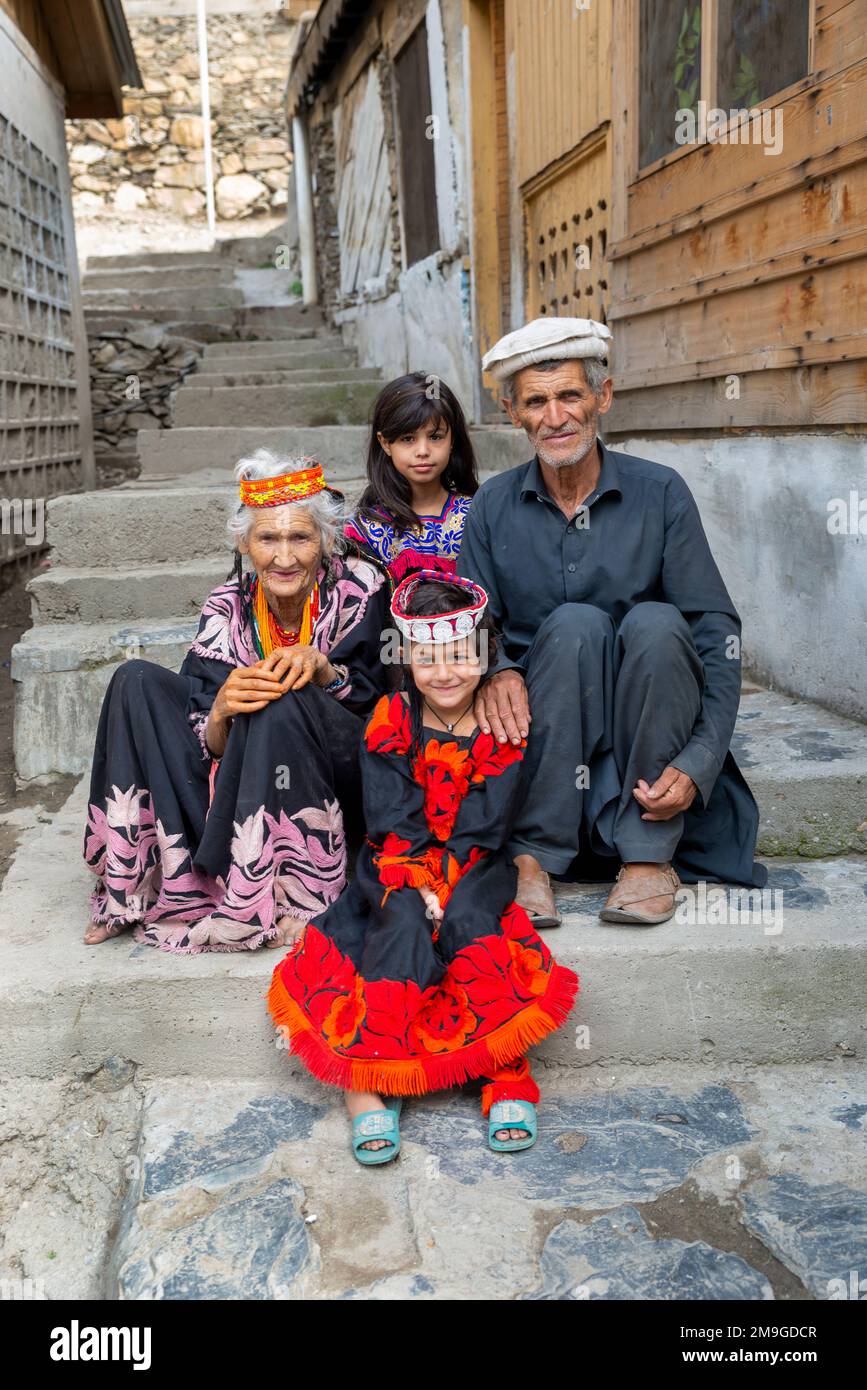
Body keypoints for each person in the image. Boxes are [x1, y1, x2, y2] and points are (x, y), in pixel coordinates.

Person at [456, 316, 767, 928]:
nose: (555, 417)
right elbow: (474, 620)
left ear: (603, 396)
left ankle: (648, 856)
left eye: (570, 395)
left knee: (655, 622)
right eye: (536, 401)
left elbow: (716, 633)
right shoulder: (493, 504)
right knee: (574, 626)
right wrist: (498, 669)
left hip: (647, 733)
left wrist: (702, 758)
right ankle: (532, 857)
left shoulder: (660, 492)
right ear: (512, 412)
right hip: (546, 735)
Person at [267, 571, 580, 1163]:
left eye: (461, 657)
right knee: (401, 925)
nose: (446, 673)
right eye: (429, 659)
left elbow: (487, 821)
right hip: (396, 858)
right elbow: (391, 817)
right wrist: (416, 880)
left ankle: (500, 1071)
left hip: (475, 860)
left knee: (471, 926)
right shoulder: (390, 717)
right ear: (406, 658)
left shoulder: (499, 728)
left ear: (485, 656)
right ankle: (369, 1080)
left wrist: (450, 883)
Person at [83, 449, 390, 953]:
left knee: (282, 695)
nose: (285, 557)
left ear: (326, 541)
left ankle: (298, 894)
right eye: (268, 538)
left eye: (301, 537)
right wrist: (224, 707)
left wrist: (324, 670)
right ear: (244, 542)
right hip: (237, 784)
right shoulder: (225, 606)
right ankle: (131, 890)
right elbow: (209, 744)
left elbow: (384, 708)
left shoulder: (360, 589)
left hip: (343, 777)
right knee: (133, 679)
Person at [344, 371, 478, 584]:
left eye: (435, 437)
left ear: (453, 439)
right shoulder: (368, 528)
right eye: (408, 439)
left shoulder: (477, 514)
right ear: (385, 443)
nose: (423, 451)